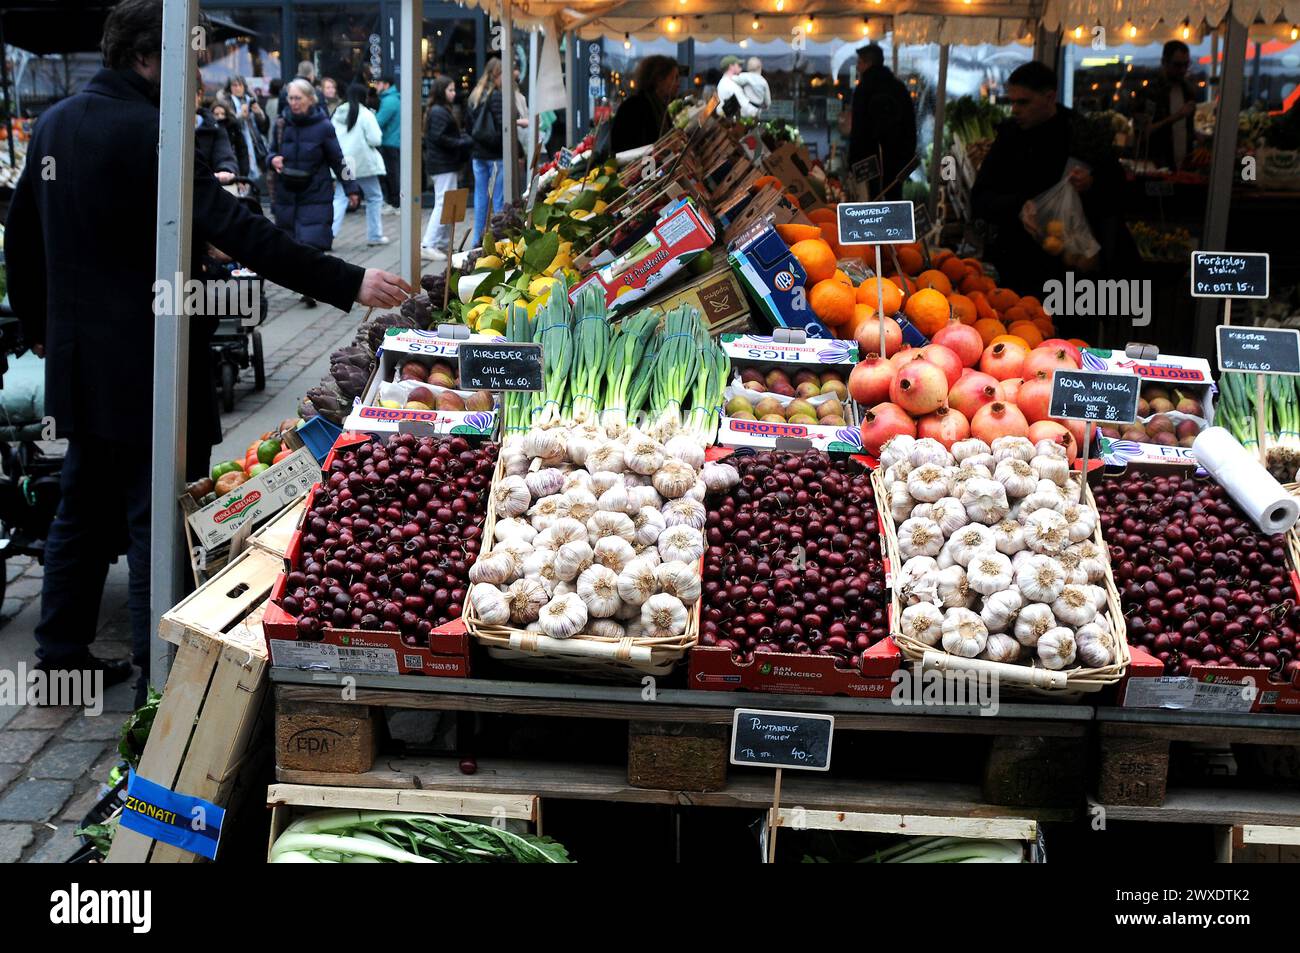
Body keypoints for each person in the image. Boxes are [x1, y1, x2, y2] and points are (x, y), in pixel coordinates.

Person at [3, 0, 409, 700]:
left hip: (78, 361)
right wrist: (349, 279)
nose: (193, 75)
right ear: (144, 58)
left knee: (82, 505)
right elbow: (242, 231)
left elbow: (21, 238)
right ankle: (157, 684)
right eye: (183, 60)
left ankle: (59, 655)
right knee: (152, 516)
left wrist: (44, 329)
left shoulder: (56, 124)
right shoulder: (155, 130)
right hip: (149, 364)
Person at [971, 60, 1134, 317]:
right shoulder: (1009, 137)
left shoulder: (1083, 133)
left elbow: (1118, 190)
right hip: (1017, 264)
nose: (1014, 109)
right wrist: (1017, 206)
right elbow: (980, 198)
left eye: (1023, 102)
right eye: (1011, 101)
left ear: (1050, 97)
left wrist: (1092, 184)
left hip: (1071, 274)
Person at [270, 78, 359, 303]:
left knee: (310, 244)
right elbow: (269, 152)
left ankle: (309, 288)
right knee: (290, 247)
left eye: (298, 98)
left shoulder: (323, 126)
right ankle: (304, 283)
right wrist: (273, 159)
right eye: (290, 98)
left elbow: (339, 160)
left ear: (311, 99)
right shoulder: (281, 124)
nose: (293, 102)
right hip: (287, 195)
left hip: (315, 194)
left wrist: (351, 188)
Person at [849, 43, 917, 200]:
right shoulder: (899, 87)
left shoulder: (864, 88)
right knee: (893, 197)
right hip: (898, 160)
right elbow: (910, 125)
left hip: (869, 162)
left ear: (868, 63)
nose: (858, 67)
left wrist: (853, 161)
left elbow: (858, 129)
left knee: (872, 202)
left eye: (859, 63)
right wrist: (908, 156)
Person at [332, 82, 389, 246]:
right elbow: (376, 139)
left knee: (341, 197)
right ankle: (375, 235)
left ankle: (329, 234)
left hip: (344, 162)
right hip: (364, 164)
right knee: (375, 197)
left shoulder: (337, 113)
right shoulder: (365, 114)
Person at [422, 76, 472, 261]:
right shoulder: (438, 112)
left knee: (448, 201)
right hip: (442, 163)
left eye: (453, 90)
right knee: (444, 202)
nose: (453, 93)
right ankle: (429, 243)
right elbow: (440, 137)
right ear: (441, 91)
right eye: (450, 90)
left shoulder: (439, 110)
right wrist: (462, 142)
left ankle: (441, 241)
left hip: (444, 163)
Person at [1133, 40, 1196, 170]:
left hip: (1184, 168)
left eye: (1186, 64)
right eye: (1177, 65)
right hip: (1157, 168)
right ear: (1164, 62)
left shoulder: (1188, 91)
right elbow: (1142, 133)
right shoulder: (1150, 92)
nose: (1183, 70)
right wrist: (1177, 117)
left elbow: (1187, 130)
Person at [467, 57, 505, 250]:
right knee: (498, 199)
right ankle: (498, 241)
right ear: (497, 74)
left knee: (480, 198)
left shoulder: (475, 94)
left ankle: (476, 241)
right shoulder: (496, 96)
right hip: (496, 155)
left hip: (478, 155)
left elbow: (469, 126)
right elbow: (502, 128)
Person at [610, 55, 678, 154]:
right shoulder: (634, 107)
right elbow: (631, 149)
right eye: (674, 78)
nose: (678, 83)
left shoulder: (660, 106)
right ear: (659, 79)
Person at [223, 74, 268, 185]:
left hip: (255, 147)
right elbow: (227, 125)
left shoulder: (251, 100)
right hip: (237, 148)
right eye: (234, 85)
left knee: (257, 183)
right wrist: (240, 116)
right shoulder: (226, 103)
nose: (237, 88)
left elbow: (264, 127)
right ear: (230, 87)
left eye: (240, 85)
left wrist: (259, 113)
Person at [374, 74, 401, 214]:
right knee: (391, 173)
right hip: (392, 141)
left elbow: (378, 122)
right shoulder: (391, 99)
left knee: (392, 174)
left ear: (386, 85)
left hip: (390, 142)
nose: (376, 87)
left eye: (378, 84)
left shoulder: (389, 101)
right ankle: (393, 202)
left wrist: (371, 117)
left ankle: (395, 204)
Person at [196, 93, 238, 182]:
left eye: (222, 114)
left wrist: (225, 169)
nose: (220, 117)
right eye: (217, 114)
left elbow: (224, 152)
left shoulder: (217, 128)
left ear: (199, 96)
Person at [716, 55, 759, 120]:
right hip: (733, 124)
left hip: (727, 121)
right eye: (738, 65)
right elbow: (745, 108)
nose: (741, 68)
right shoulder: (731, 84)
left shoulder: (722, 82)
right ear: (731, 67)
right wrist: (759, 111)